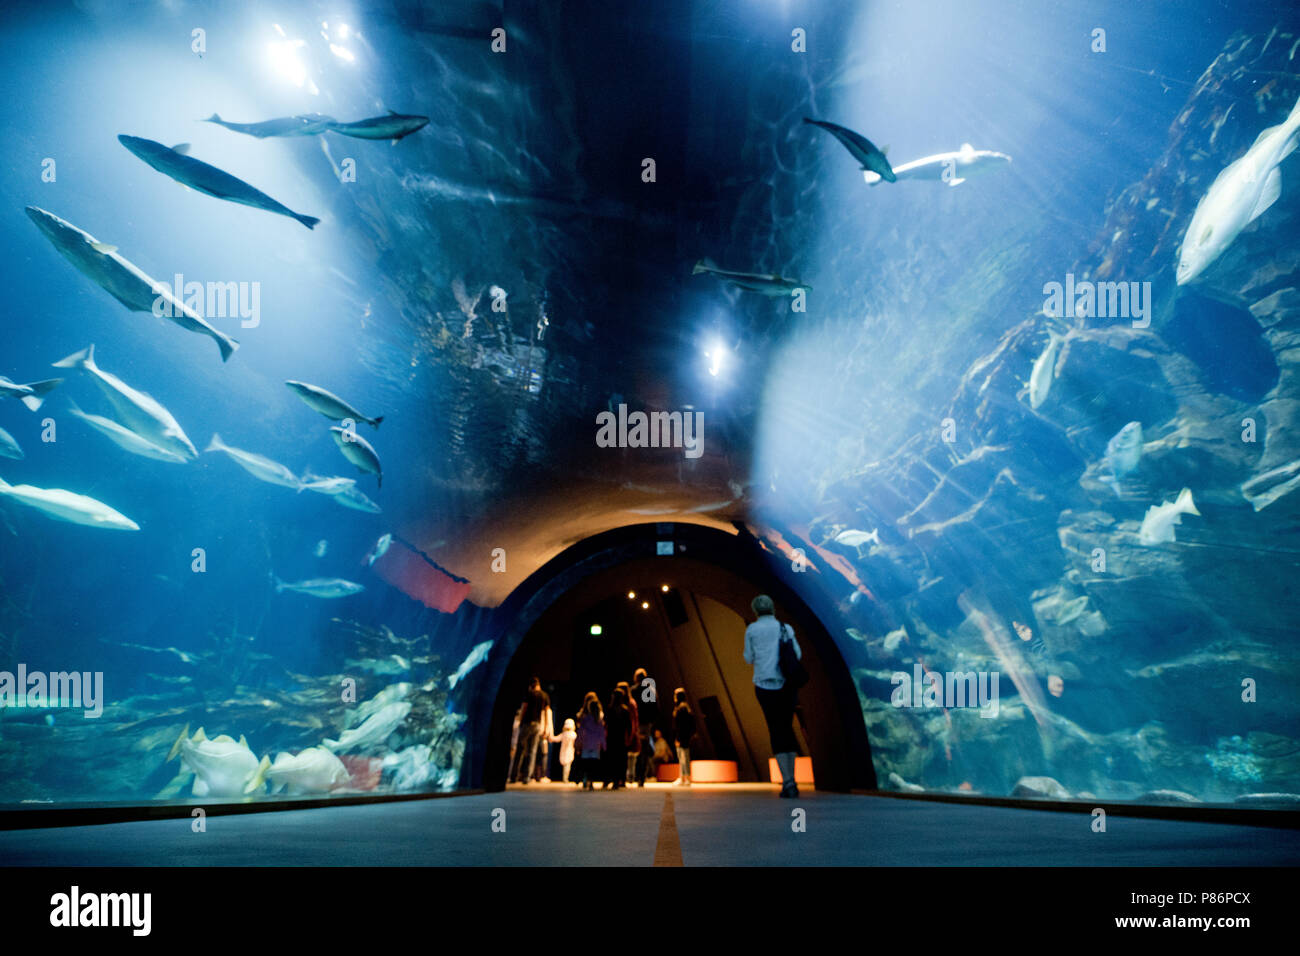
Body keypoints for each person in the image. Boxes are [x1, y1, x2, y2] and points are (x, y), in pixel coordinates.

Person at [743, 594, 802, 798]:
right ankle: (793, 779)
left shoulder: (752, 629)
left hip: (764, 685)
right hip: (786, 685)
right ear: (773, 608)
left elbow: (748, 657)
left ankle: (787, 781)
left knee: (775, 730)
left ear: (756, 610)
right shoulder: (785, 628)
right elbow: (797, 654)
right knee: (788, 729)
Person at [510, 677, 549, 784]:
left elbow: (524, 708)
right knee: (533, 751)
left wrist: (520, 722)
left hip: (527, 723)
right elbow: (546, 712)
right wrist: (546, 727)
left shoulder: (529, 694)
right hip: (537, 724)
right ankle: (527, 777)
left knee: (520, 749)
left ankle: (514, 775)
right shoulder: (544, 696)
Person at [632, 667, 659, 786]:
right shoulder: (650, 689)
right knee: (644, 751)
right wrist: (652, 722)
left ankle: (632, 775)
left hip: (636, 724)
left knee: (634, 749)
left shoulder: (633, 690)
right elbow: (655, 708)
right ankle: (641, 778)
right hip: (647, 724)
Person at [604, 685, 632, 790]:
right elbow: (629, 726)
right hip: (621, 737)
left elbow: (605, 724)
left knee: (611, 759)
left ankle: (608, 780)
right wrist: (628, 737)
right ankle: (620, 780)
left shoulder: (609, 709)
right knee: (621, 759)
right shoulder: (625, 710)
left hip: (611, 737)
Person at [575, 698, 606, 790]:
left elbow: (580, 732)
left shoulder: (585, 719)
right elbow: (602, 733)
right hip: (595, 745)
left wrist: (578, 743)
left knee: (586, 764)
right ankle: (591, 781)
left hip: (586, 744)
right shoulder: (599, 721)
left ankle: (586, 779)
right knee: (593, 765)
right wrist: (604, 745)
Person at [671, 687, 696, 787]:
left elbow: (681, 725)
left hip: (682, 736)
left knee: (684, 757)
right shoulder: (684, 707)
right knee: (682, 757)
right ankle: (682, 777)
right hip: (684, 736)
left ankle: (687, 778)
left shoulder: (682, 708)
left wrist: (678, 738)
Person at [617, 680, 639, 783]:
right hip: (622, 732)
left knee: (630, 756)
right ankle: (624, 776)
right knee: (624, 756)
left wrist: (632, 733)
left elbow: (634, 720)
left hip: (628, 731)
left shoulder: (630, 703)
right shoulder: (621, 704)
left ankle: (630, 776)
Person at [533, 699, 555, 782]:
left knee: (540, 754)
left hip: (542, 734)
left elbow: (549, 722)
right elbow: (549, 723)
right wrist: (550, 734)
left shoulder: (546, 710)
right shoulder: (546, 711)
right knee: (542, 755)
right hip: (542, 733)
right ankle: (540, 775)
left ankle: (539, 775)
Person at [552, 718, 578, 783]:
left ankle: (565, 778)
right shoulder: (571, 734)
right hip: (567, 751)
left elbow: (556, 739)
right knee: (567, 766)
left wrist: (551, 737)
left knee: (567, 766)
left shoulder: (570, 734)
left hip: (567, 751)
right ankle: (565, 778)